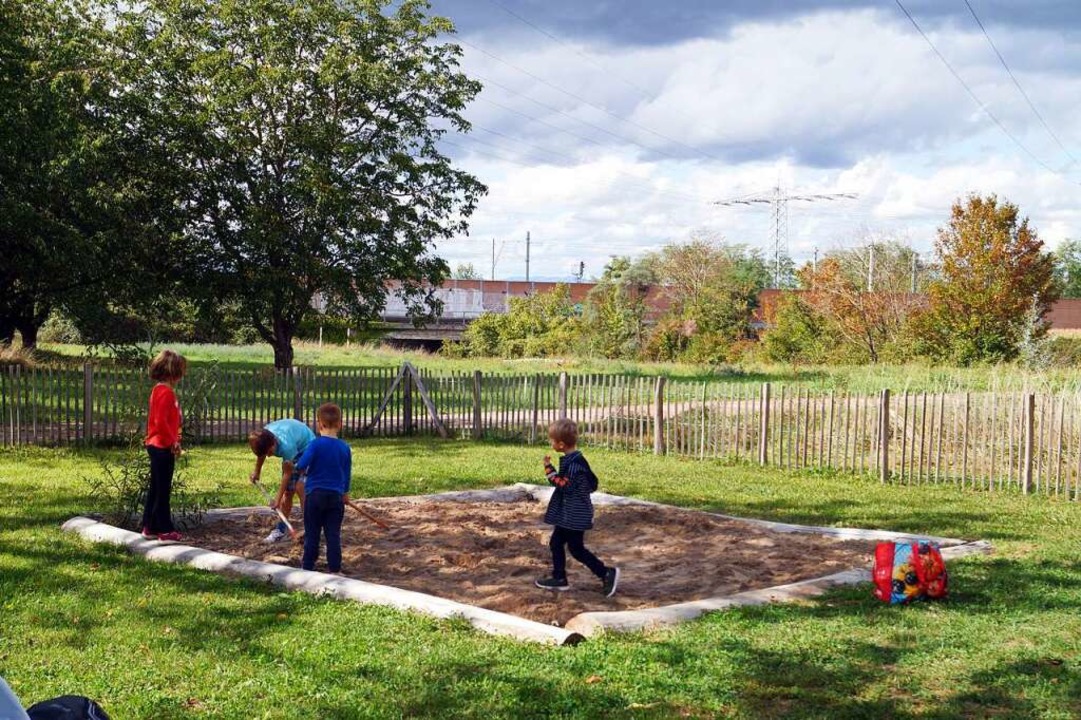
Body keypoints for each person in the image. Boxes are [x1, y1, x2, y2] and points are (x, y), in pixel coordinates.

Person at [535, 418, 619, 597]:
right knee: (558, 543)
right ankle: (560, 577)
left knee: (575, 549)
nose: (551, 443)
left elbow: (563, 485)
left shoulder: (574, 465)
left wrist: (549, 469)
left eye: (552, 440)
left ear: (561, 444)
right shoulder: (574, 460)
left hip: (574, 515)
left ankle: (605, 573)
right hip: (570, 514)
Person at [295, 402, 352, 574]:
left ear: (319, 424)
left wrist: (293, 466)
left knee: (312, 532)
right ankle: (335, 569)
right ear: (340, 424)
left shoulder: (315, 445)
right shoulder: (345, 448)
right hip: (336, 496)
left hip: (315, 495)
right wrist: (345, 493)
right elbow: (346, 473)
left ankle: (307, 567)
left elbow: (302, 465)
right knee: (333, 534)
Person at [142, 349, 186, 543]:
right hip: (161, 446)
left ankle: (149, 526)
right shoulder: (165, 392)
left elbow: (168, 418)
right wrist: (173, 441)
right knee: (162, 489)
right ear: (173, 371)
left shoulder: (160, 390)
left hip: (159, 445)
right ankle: (164, 530)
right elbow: (160, 422)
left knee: (156, 488)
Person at [248, 418, 316, 543]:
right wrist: (257, 472)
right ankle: (280, 530)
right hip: (295, 446)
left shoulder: (286, 447)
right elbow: (261, 454)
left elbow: (287, 473)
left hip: (308, 448)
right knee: (288, 493)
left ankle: (311, 529)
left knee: (301, 487)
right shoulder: (263, 437)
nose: (268, 455)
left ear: (274, 443)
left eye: (270, 452)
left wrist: (277, 500)